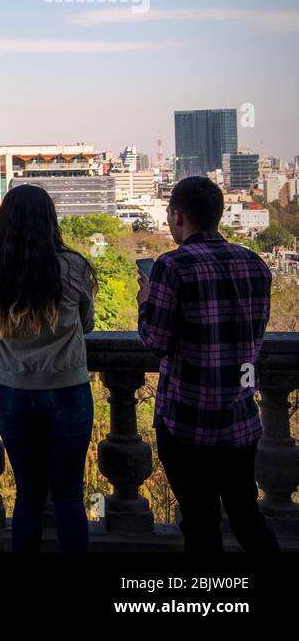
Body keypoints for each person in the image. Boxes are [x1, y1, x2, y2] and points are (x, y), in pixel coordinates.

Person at [138, 176, 278, 552]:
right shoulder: (255, 264)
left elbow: (156, 341)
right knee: (247, 516)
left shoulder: (171, 267)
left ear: (178, 216)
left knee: (200, 523)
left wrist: (146, 300)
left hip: (187, 420)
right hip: (240, 419)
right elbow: (255, 335)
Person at [0, 183, 97, 552]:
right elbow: (86, 324)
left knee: (28, 495)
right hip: (67, 389)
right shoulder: (73, 267)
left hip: (14, 391)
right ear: (50, 221)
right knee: (69, 497)